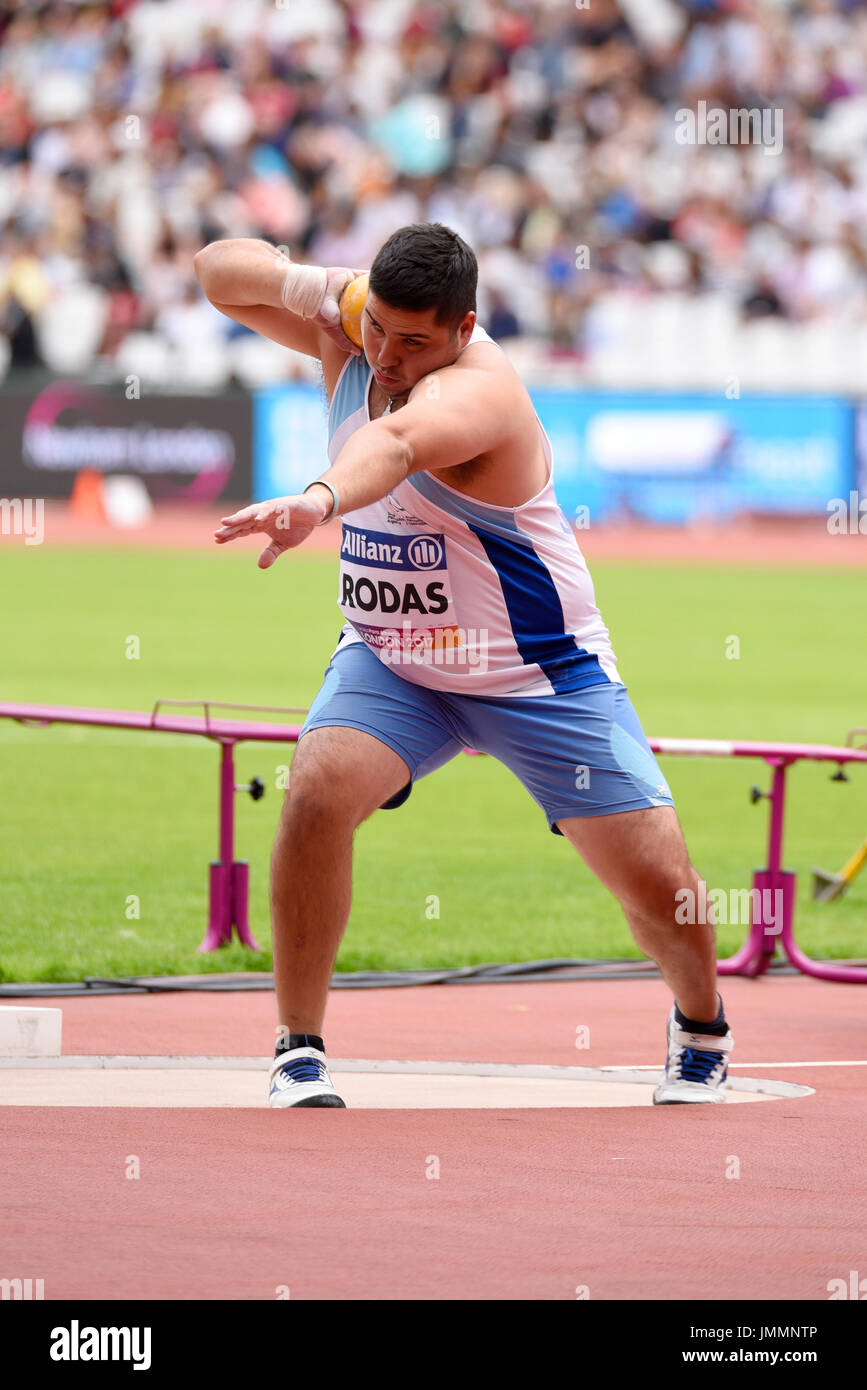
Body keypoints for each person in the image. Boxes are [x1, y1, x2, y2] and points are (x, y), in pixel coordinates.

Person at [193, 222, 733, 1109]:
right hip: (392, 659)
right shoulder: (356, 324)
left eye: (415, 342)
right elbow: (219, 274)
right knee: (315, 791)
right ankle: (299, 1046)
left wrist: (318, 499)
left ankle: (701, 1023)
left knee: (655, 881)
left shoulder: (483, 393)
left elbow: (396, 447)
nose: (388, 357)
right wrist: (323, 290)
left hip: (533, 672)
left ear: (461, 327)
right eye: (379, 333)